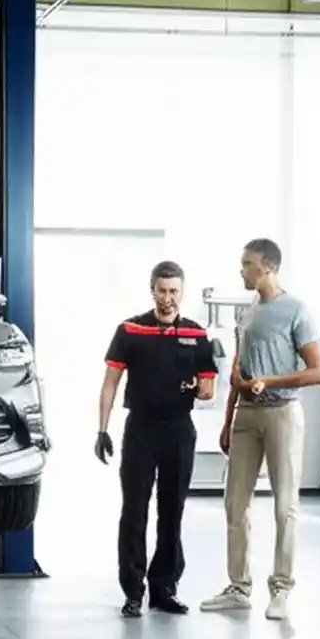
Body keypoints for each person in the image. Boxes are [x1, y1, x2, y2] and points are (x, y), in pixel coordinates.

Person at [200, 238, 320, 621]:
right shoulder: (248, 313)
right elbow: (238, 368)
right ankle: (239, 587)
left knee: (285, 506)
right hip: (246, 417)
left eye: (247, 264)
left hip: (282, 414)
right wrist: (227, 419)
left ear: (268, 267)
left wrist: (269, 383)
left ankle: (281, 590)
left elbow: (317, 372)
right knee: (235, 504)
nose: (242, 270)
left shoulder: (297, 310)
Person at [96, 261, 219, 618]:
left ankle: (164, 587)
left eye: (174, 292)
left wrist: (195, 386)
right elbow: (110, 383)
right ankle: (133, 591)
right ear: (152, 290)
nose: (168, 299)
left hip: (178, 429)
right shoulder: (131, 329)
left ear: (183, 293)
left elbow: (209, 389)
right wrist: (102, 428)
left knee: (172, 510)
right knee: (133, 509)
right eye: (162, 291)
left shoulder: (196, 335)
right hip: (141, 430)